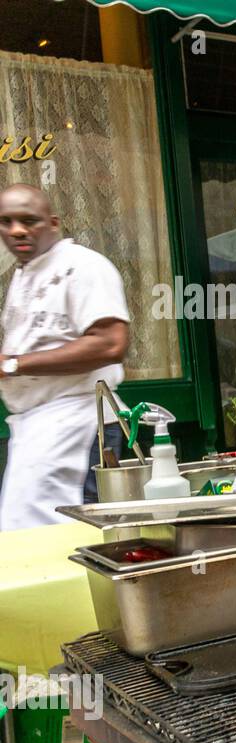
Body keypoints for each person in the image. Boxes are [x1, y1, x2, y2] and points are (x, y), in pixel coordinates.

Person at [0, 184, 130, 530]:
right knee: (26, 537)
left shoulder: (83, 266)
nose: (16, 230)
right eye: (6, 222)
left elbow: (110, 343)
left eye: (29, 221)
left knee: (69, 540)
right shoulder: (23, 274)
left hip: (79, 423)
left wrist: (13, 364)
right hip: (34, 429)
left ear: (53, 223)